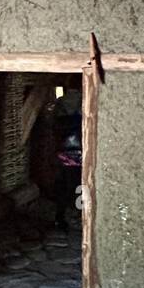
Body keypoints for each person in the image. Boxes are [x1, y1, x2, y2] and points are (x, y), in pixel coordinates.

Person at [52, 88, 82, 229]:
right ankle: (80, 213)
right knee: (81, 183)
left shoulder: (60, 103)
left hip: (63, 150)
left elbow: (52, 124)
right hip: (81, 150)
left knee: (62, 183)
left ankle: (61, 216)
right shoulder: (85, 99)